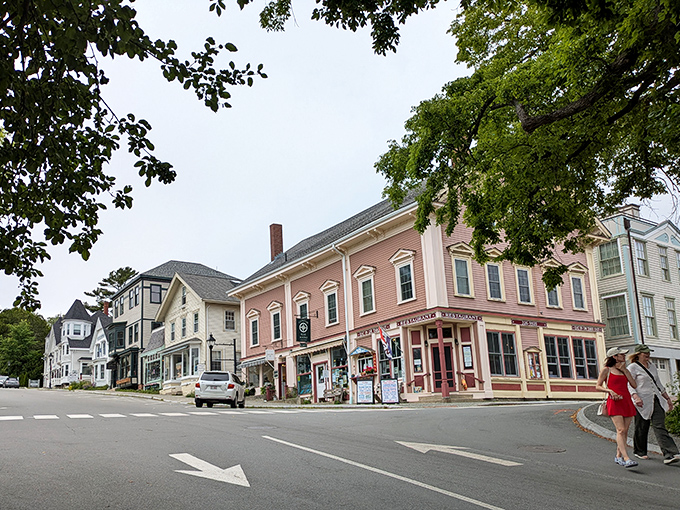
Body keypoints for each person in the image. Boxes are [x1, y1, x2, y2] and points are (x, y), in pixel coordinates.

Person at [628, 344, 680, 464]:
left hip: (655, 398)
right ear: (638, 354)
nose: (647, 354)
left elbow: (658, 383)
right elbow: (629, 384)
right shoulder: (633, 367)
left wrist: (667, 398)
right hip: (641, 400)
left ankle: (669, 453)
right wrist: (635, 396)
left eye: (648, 352)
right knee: (642, 426)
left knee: (659, 425)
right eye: (645, 352)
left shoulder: (652, 366)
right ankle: (639, 451)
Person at [596, 347, 638, 468]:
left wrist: (625, 370)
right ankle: (626, 458)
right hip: (614, 401)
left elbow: (634, 385)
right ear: (614, 356)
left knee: (625, 431)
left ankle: (618, 456)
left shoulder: (624, 370)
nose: (624, 356)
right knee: (620, 430)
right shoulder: (607, 370)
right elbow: (598, 386)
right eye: (621, 355)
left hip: (626, 401)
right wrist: (609, 391)